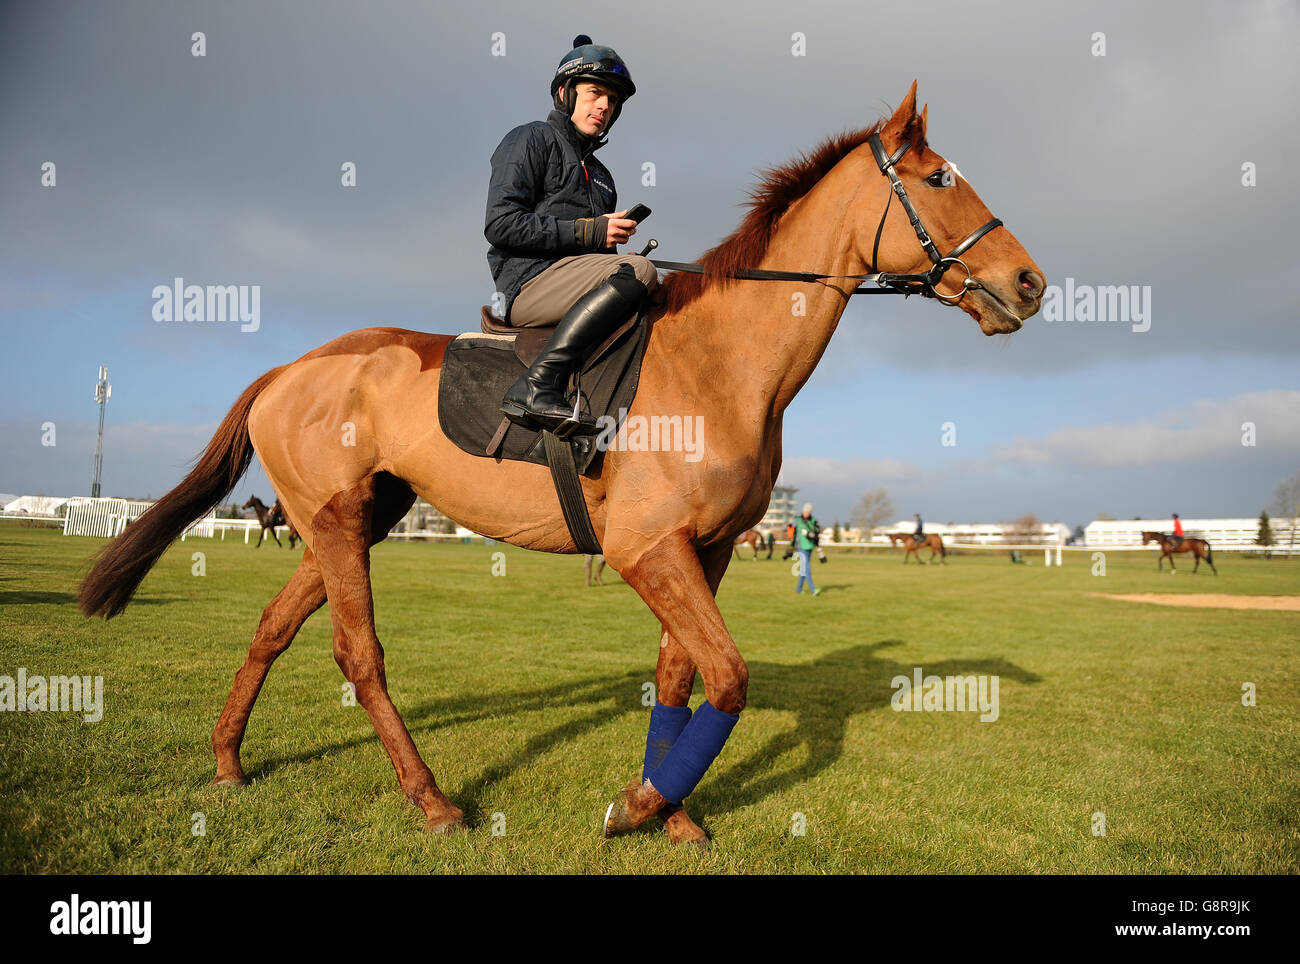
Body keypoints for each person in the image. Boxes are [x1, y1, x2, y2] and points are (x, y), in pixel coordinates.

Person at [485, 35, 659, 437]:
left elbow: (587, 245)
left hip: (570, 279)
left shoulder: (603, 176)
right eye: (595, 92)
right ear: (565, 94)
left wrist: (606, 240)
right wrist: (592, 231)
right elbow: (501, 224)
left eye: (612, 101)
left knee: (653, 285)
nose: (604, 105)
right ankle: (537, 385)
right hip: (528, 283)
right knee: (638, 271)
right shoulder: (530, 139)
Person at [794, 504, 821, 596]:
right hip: (801, 548)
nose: (806, 514)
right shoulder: (797, 520)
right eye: (805, 512)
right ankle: (813, 590)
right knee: (807, 569)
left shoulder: (813, 520)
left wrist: (812, 533)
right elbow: (787, 527)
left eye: (808, 512)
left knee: (803, 569)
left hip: (809, 547)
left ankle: (799, 589)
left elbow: (817, 531)